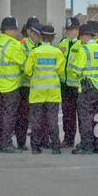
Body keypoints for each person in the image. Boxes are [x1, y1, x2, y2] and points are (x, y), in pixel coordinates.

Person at [71, 20, 98, 154]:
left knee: (85, 117)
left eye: (80, 38)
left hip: (88, 88)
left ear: (84, 36)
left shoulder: (84, 50)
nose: (80, 41)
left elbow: (76, 70)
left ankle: (87, 145)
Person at [0, 17, 28, 152]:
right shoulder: (13, 45)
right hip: (11, 86)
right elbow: (23, 63)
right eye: (15, 30)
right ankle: (6, 144)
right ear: (10, 30)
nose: (16, 33)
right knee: (9, 116)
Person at [24, 23, 66, 153]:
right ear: (53, 37)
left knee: (36, 120)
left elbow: (27, 71)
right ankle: (56, 147)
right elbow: (61, 72)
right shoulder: (57, 52)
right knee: (52, 119)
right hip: (53, 92)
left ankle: (35, 147)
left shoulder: (35, 52)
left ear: (41, 36)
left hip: (37, 92)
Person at [14, 18, 39, 150]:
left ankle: (39, 142)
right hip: (25, 86)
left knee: (38, 117)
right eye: (33, 31)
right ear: (29, 32)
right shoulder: (22, 45)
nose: (35, 35)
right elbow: (21, 64)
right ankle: (21, 142)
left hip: (39, 87)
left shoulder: (42, 46)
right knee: (23, 116)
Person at [58, 17, 82, 149]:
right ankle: (68, 139)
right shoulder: (63, 43)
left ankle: (84, 140)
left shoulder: (81, 45)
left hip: (77, 86)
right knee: (67, 114)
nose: (69, 32)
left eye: (72, 29)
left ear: (78, 30)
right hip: (65, 84)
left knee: (81, 114)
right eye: (68, 30)